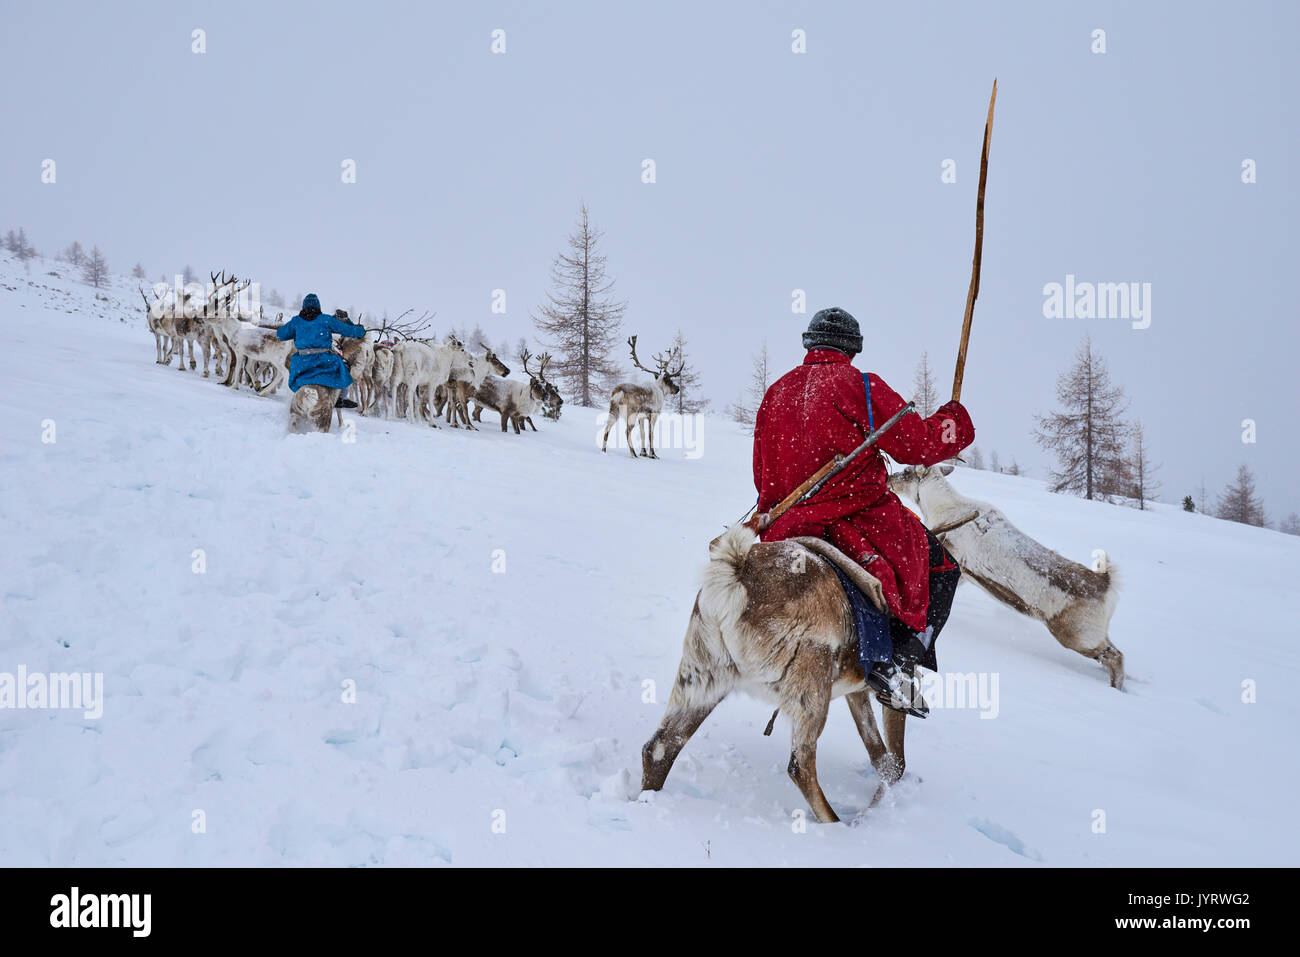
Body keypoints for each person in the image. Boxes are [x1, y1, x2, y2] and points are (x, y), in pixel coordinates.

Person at [752, 307, 975, 715]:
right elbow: (916, 447)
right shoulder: (861, 387)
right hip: (854, 517)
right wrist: (952, 421)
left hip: (784, 524)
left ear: (810, 343)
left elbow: (762, 473)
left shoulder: (776, 391)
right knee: (942, 567)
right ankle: (899, 665)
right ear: (853, 348)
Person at [275, 294, 366, 407]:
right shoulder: (326, 320)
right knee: (345, 366)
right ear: (318, 306)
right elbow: (347, 330)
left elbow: (280, 335)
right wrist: (361, 331)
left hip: (302, 363)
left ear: (303, 307)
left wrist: (294, 331)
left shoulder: (296, 321)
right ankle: (340, 398)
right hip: (324, 362)